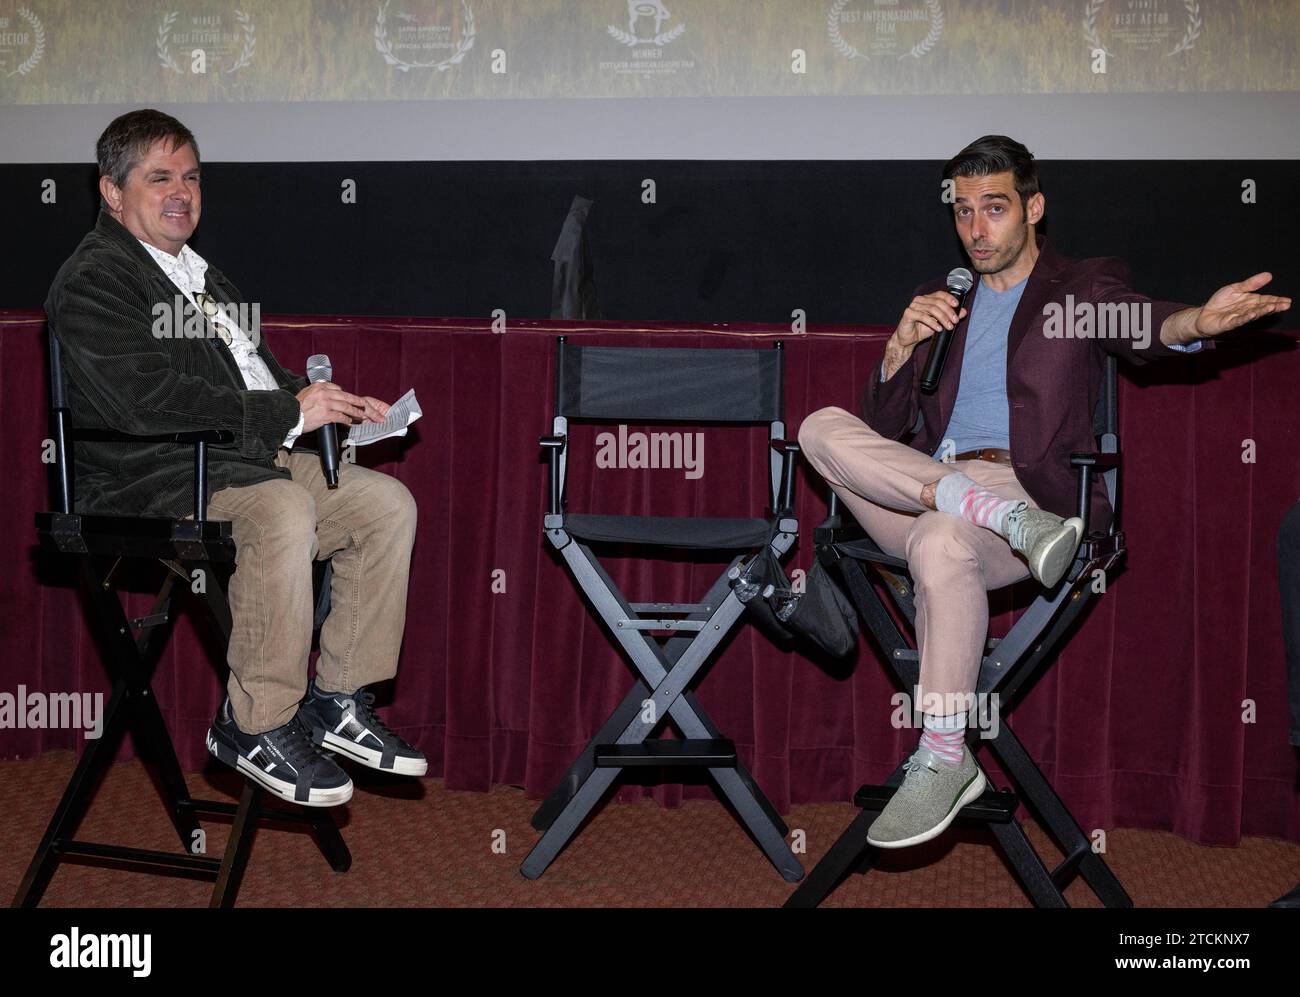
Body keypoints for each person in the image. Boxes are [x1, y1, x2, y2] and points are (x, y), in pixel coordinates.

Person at [798, 134, 1291, 849]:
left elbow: (1147, 324)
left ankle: (942, 754)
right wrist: (899, 348)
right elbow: (878, 433)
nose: (976, 229)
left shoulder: (1079, 291)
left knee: (941, 540)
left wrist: (1197, 324)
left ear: (1033, 207)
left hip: (1024, 488)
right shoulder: (944, 304)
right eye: (963, 212)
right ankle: (978, 506)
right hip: (940, 491)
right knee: (820, 427)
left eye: (993, 208)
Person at [45, 109, 427, 807]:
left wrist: (322, 402)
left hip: (232, 460)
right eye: (160, 177)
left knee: (384, 503)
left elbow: (250, 379)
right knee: (281, 510)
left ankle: (337, 696)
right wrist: (287, 413)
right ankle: (254, 724)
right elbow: (143, 399)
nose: (181, 191)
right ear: (111, 191)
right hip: (148, 477)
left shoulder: (202, 275)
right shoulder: (93, 280)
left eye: (190, 176)